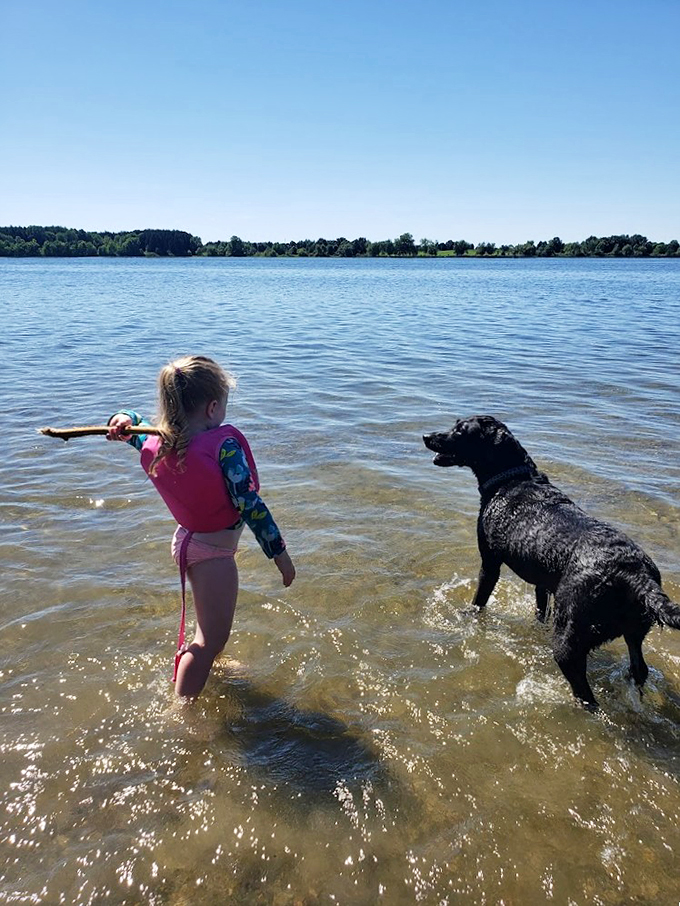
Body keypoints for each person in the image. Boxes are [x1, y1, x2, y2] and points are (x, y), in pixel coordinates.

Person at [107, 355, 295, 698]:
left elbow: (133, 427)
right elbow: (249, 504)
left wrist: (123, 419)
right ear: (212, 408)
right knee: (209, 640)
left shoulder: (157, 441)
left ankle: (212, 666)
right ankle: (183, 711)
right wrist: (279, 554)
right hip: (212, 554)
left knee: (210, 627)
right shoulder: (224, 449)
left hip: (189, 543)